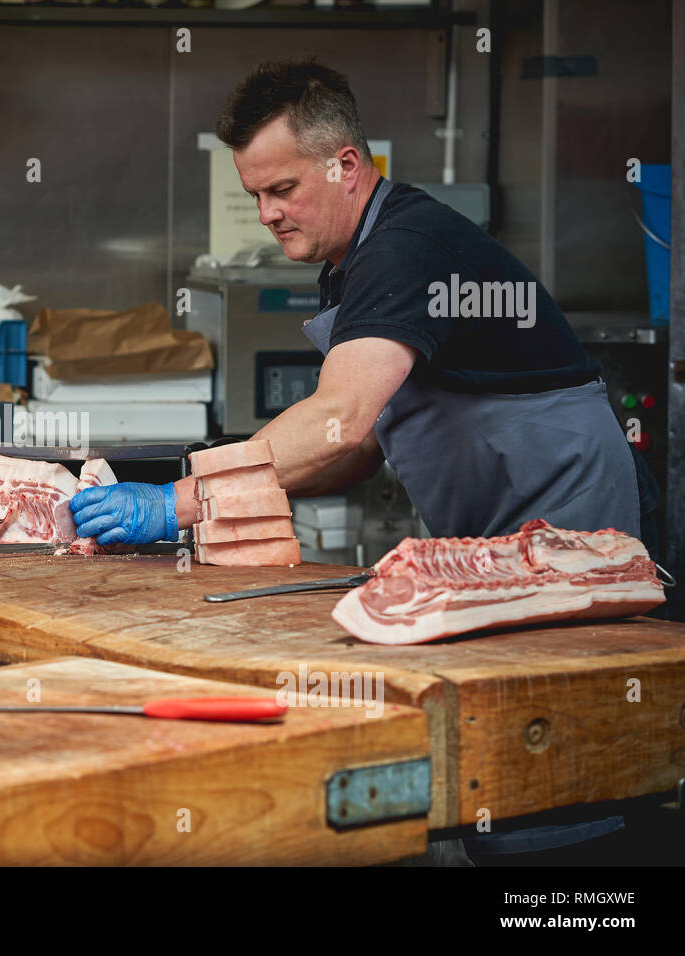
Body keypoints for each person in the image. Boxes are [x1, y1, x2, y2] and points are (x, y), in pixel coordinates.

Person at [69, 60, 657, 863]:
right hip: (493, 542)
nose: (267, 214)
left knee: (552, 778)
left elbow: (340, 424)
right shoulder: (353, 263)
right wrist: (195, 495)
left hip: (568, 533)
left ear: (347, 164)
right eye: (255, 196)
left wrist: (174, 501)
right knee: (492, 764)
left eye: (281, 190)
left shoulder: (405, 248)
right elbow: (352, 455)